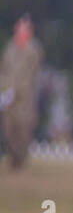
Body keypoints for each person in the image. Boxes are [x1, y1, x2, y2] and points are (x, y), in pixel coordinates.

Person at [0, 14, 45, 170]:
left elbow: (32, 74)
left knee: (23, 128)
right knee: (8, 128)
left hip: (25, 97)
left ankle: (20, 160)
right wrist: (4, 89)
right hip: (8, 96)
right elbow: (4, 70)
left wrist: (17, 90)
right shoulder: (10, 48)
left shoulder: (34, 50)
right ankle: (12, 159)